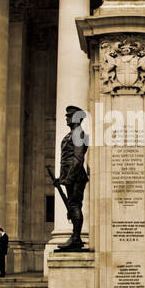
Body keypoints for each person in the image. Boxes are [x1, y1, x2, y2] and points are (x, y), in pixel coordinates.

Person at [56, 106, 89, 251]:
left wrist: (69, 177)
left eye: (69, 116)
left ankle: (75, 238)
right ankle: (76, 237)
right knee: (73, 205)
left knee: (74, 205)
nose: (67, 118)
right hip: (70, 176)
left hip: (76, 176)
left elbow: (77, 158)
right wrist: (61, 178)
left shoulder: (78, 133)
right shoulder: (72, 134)